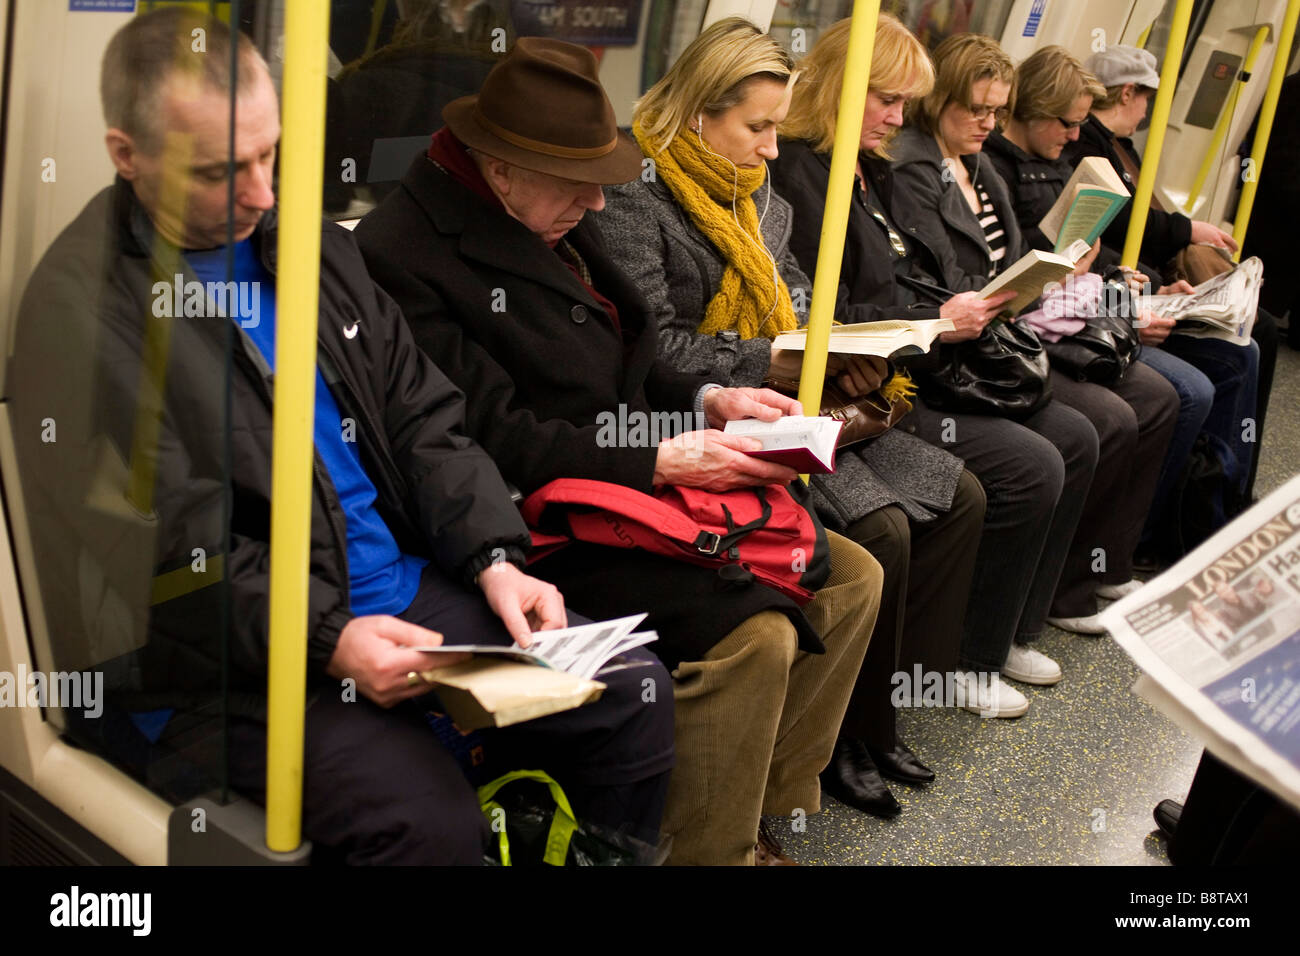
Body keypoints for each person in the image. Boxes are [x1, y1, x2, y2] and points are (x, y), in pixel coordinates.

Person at [7, 8, 676, 864]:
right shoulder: (83, 313)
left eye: (268, 154)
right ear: (126, 155)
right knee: (427, 824)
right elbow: (165, 551)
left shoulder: (313, 249)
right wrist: (329, 639)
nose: (260, 193)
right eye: (220, 171)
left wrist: (491, 557)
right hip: (219, 656)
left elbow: (420, 416)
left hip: (395, 587)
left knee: (632, 694)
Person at [354, 37, 881, 865]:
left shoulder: (552, 215)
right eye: (579, 187)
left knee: (854, 576)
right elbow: (491, 435)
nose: (599, 208)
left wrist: (711, 399)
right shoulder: (402, 254)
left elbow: (639, 349)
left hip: (627, 472)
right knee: (757, 636)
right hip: (543, 510)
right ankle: (706, 847)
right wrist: (659, 460)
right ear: (499, 170)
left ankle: (763, 802)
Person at [595, 17, 984, 819]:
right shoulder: (635, 194)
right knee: (876, 536)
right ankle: (831, 746)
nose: (774, 149)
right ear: (700, 111)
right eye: (758, 127)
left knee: (962, 495)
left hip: (790, 393)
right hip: (701, 413)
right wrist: (768, 362)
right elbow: (656, 346)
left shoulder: (753, 188)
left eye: (779, 127)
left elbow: (797, 292)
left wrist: (831, 349)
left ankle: (877, 718)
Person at [770, 15, 1100, 715]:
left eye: (902, 103)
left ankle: (998, 636)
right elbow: (835, 304)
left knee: (1081, 433)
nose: (896, 117)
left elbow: (903, 276)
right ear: (837, 87)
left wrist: (952, 313)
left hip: (913, 356)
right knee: (1027, 465)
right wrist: (939, 324)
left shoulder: (869, 169)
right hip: (879, 379)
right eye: (884, 99)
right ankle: (955, 663)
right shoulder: (806, 173)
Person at [889, 33, 1179, 632]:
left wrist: (1055, 270)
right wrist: (1037, 281)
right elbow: (948, 280)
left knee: (1154, 399)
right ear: (938, 100)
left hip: (1007, 330)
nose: (987, 122)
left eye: (996, 110)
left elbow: (1015, 256)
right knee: (1089, 427)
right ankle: (1016, 620)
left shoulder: (980, 165)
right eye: (975, 109)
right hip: (963, 349)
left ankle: (1065, 588)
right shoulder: (913, 168)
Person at [985, 45, 1261, 564]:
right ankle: (1128, 546)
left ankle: (1192, 519)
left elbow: (1081, 260)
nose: (1073, 137)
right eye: (1067, 124)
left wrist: (1129, 283)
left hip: (1083, 305)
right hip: (1048, 323)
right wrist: (1128, 302)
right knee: (1188, 388)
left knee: (1239, 349)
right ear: (1037, 112)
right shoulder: (1000, 173)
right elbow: (1032, 282)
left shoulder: (1055, 163)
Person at [1071, 44, 1276, 505]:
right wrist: (1146, 290)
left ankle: (1224, 492)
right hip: (1094, 302)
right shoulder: (1085, 151)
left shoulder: (1114, 148)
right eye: (1146, 99)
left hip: (1123, 285)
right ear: (1128, 93)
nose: (1070, 132)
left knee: (1249, 337)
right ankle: (1190, 511)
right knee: (1211, 372)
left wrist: (1154, 289)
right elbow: (1114, 232)